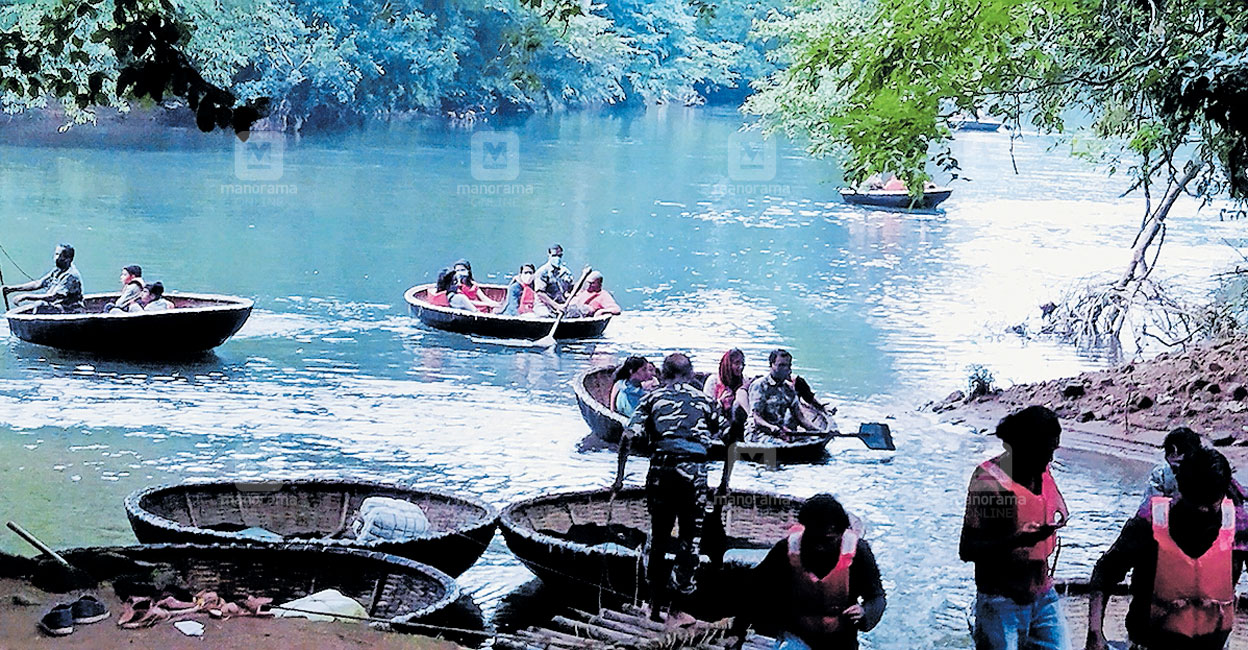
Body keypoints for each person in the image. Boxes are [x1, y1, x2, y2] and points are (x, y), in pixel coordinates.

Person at [612, 353, 742, 626]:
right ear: (691, 374)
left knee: (658, 538)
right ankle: (676, 609)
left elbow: (627, 436)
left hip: (661, 472)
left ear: (663, 373)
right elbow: (731, 438)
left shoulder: (652, 398)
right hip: (694, 475)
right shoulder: (704, 401)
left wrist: (619, 479)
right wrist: (724, 482)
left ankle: (654, 607)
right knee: (689, 541)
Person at [1086, 447, 1247, 650]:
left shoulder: (1240, 526)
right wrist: (1095, 634)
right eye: (1195, 503)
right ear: (1180, 488)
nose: (1202, 510)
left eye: (1209, 505)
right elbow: (1104, 573)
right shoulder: (1148, 523)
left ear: (1223, 494)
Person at [960, 405, 1069, 650]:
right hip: (1001, 601)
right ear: (1024, 448)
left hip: (1043, 595)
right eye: (1045, 452)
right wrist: (1018, 540)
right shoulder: (989, 482)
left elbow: (1047, 498)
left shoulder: (1041, 470)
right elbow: (967, 550)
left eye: (1053, 450)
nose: (1050, 459)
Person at [740, 494, 886, 650]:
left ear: (841, 533)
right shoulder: (786, 549)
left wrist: (864, 613)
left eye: (828, 540)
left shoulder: (859, 552)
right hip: (795, 633)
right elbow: (755, 590)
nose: (820, 547)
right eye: (813, 539)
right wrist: (740, 629)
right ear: (805, 529)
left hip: (841, 637)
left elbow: (876, 596)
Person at [747, 350, 822, 440]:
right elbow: (756, 418)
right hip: (758, 432)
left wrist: (819, 431)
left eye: (788, 365)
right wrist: (772, 427)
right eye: (781, 365)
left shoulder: (788, 388)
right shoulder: (759, 386)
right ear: (771, 365)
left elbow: (800, 417)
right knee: (780, 444)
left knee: (808, 440)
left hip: (781, 431)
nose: (786, 369)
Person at [2, 243, 85, 314]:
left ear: (69, 259)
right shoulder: (57, 271)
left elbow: (53, 297)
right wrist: (12, 289)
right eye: (56, 254)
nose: (56, 258)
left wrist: (26, 297)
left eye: (61, 256)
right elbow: (37, 284)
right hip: (57, 306)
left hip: (70, 310)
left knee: (40, 305)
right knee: (40, 305)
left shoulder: (71, 276)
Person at [704, 349, 746, 419]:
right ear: (728, 364)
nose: (741, 367)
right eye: (737, 363)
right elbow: (706, 406)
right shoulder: (713, 381)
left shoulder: (744, 381)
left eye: (742, 363)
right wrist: (721, 402)